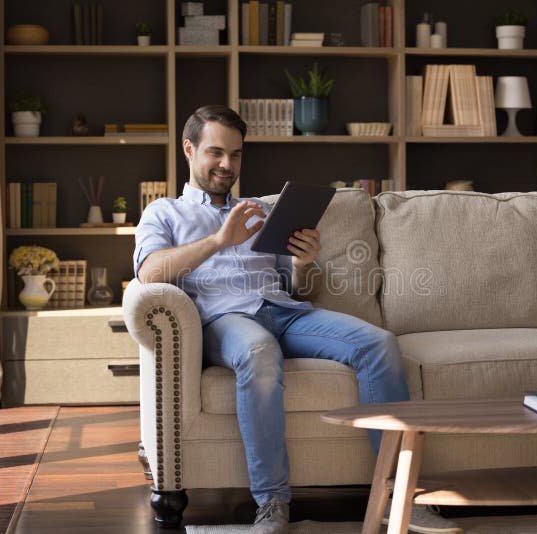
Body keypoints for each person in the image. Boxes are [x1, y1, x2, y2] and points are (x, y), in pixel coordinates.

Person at [133, 105, 458, 534]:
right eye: (216, 153)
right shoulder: (165, 213)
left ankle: (398, 496)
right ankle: (272, 503)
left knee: (378, 343)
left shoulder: (257, 210)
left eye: (236, 154)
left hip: (284, 313)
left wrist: (304, 261)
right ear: (189, 150)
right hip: (223, 320)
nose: (227, 165)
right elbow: (149, 273)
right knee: (258, 351)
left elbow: (300, 290)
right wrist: (218, 240)